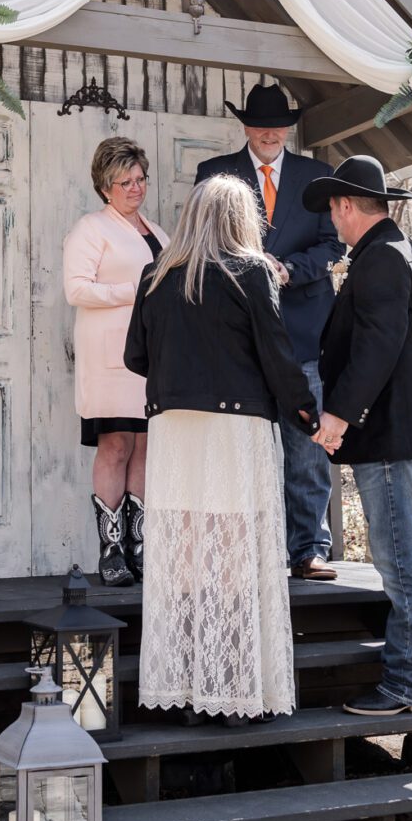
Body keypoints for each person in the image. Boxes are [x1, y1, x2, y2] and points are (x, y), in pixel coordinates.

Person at [124, 176, 316, 725]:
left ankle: (184, 687)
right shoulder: (251, 271)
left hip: (172, 425)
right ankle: (230, 692)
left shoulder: (155, 275)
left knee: (183, 552)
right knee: (231, 552)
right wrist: (306, 410)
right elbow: (277, 355)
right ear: (242, 219)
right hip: (233, 426)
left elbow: (136, 356)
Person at [302, 155, 412, 717]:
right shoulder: (398, 253)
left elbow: (378, 346)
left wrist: (338, 416)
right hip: (404, 427)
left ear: (347, 205)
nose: (333, 223)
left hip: (390, 432)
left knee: (399, 562)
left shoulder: (382, 261)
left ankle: (410, 684)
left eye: (333, 212)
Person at [195, 82, 345, 582]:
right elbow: (205, 244)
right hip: (237, 338)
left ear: (289, 129)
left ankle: (308, 549)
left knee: (306, 449)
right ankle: (247, 550)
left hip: (304, 332)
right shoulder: (213, 175)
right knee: (241, 452)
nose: (270, 132)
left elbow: (332, 246)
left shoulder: (317, 176)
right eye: (261, 124)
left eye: (279, 125)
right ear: (245, 127)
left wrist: (289, 269)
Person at [61, 136, 167, 586]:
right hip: (109, 359)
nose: (135, 188)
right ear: (105, 187)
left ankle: (138, 547)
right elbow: (77, 290)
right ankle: (111, 553)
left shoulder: (159, 231)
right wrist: (135, 292)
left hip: (151, 360)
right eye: (125, 182)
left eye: (140, 179)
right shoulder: (91, 229)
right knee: (116, 446)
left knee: (145, 447)